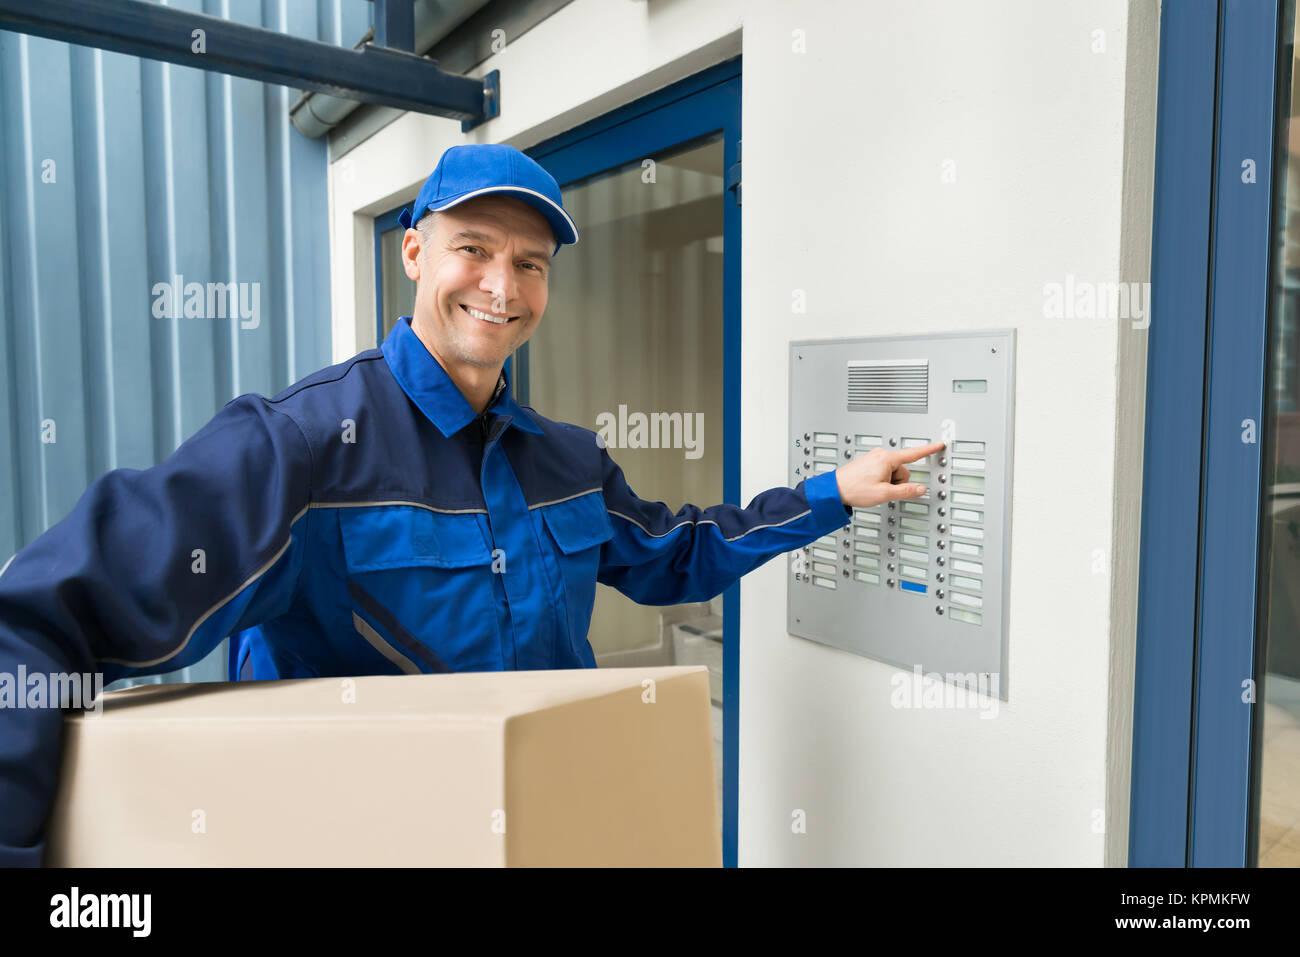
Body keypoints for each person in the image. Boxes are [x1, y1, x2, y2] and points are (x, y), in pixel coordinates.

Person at [0, 143, 942, 865]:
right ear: (415, 252)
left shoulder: (565, 460)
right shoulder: (301, 448)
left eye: (530, 263)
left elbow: (678, 552)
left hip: (552, 829)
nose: (502, 286)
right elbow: (40, 620)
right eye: (474, 249)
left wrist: (831, 495)